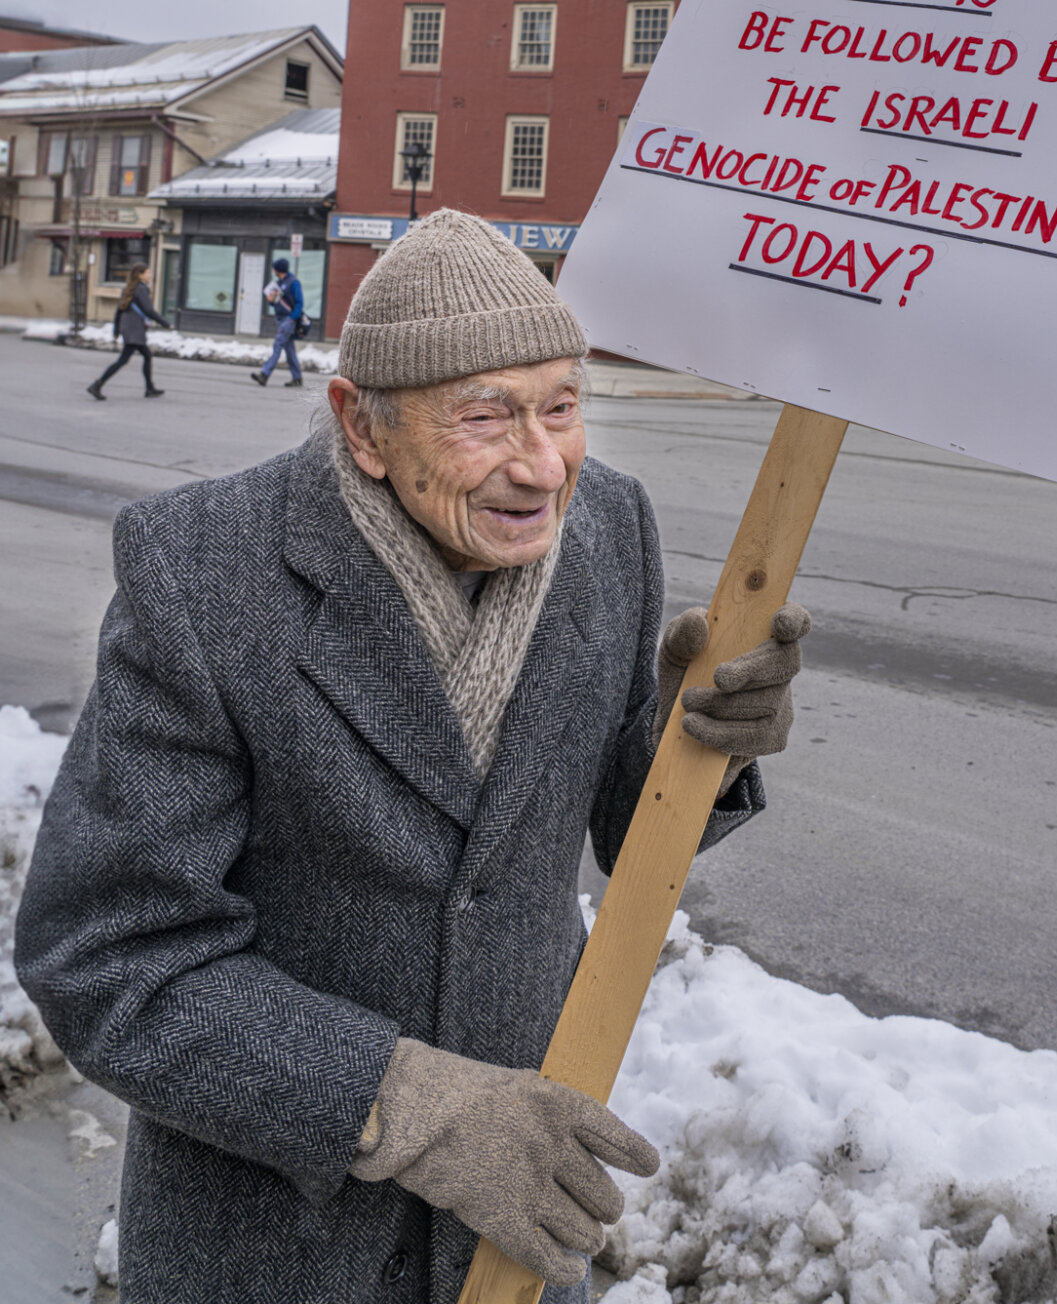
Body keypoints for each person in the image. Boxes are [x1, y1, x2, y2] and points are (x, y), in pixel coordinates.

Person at [17, 209, 809, 1304]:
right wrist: (414, 1108)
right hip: (270, 1258)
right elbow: (105, 956)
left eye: (563, 407)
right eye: (484, 415)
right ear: (364, 426)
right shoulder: (204, 572)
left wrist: (694, 735)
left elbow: (627, 835)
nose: (542, 464)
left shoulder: (610, 528)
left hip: (513, 1244)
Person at [86, 263, 168, 400]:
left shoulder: (129, 288)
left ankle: (150, 388)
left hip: (129, 327)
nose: (150, 275)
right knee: (123, 360)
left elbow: (119, 310)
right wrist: (165, 323)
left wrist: (117, 328)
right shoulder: (141, 289)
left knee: (147, 355)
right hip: (134, 330)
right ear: (140, 275)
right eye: (148, 272)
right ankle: (97, 385)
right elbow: (149, 310)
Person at [251, 255, 305, 387]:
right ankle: (297, 378)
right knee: (289, 350)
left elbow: (300, 302)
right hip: (281, 319)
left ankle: (264, 374)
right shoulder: (279, 283)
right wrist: (271, 301)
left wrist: (292, 318)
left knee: (277, 346)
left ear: (278, 269)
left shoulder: (293, 282)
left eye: (274, 268)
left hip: (288, 320)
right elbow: (278, 303)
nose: (273, 270)